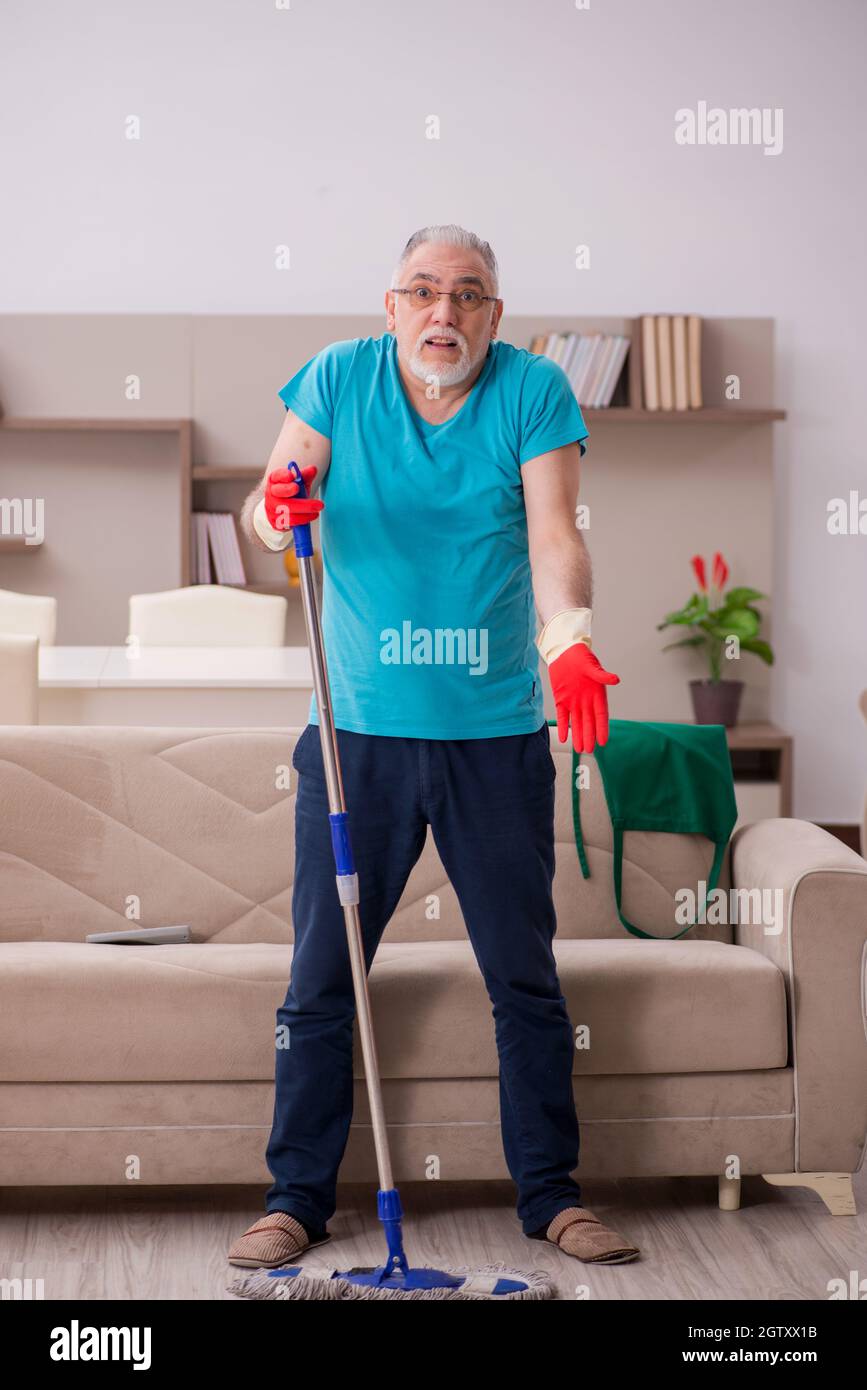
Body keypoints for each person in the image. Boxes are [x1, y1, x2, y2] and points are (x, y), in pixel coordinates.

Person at [228, 225, 639, 1268]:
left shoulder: (534, 391)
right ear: (392, 305)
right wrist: (280, 514)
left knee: (524, 977)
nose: (443, 312)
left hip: (494, 738)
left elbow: (554, 533)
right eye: (423, 292)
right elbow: (264, 512)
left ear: (494, 314)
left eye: (467, 295)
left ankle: (552, 1195)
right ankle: (295, 1199)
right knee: (323, 975)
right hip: (354, 734)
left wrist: (572, 644)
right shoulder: (336, 378)